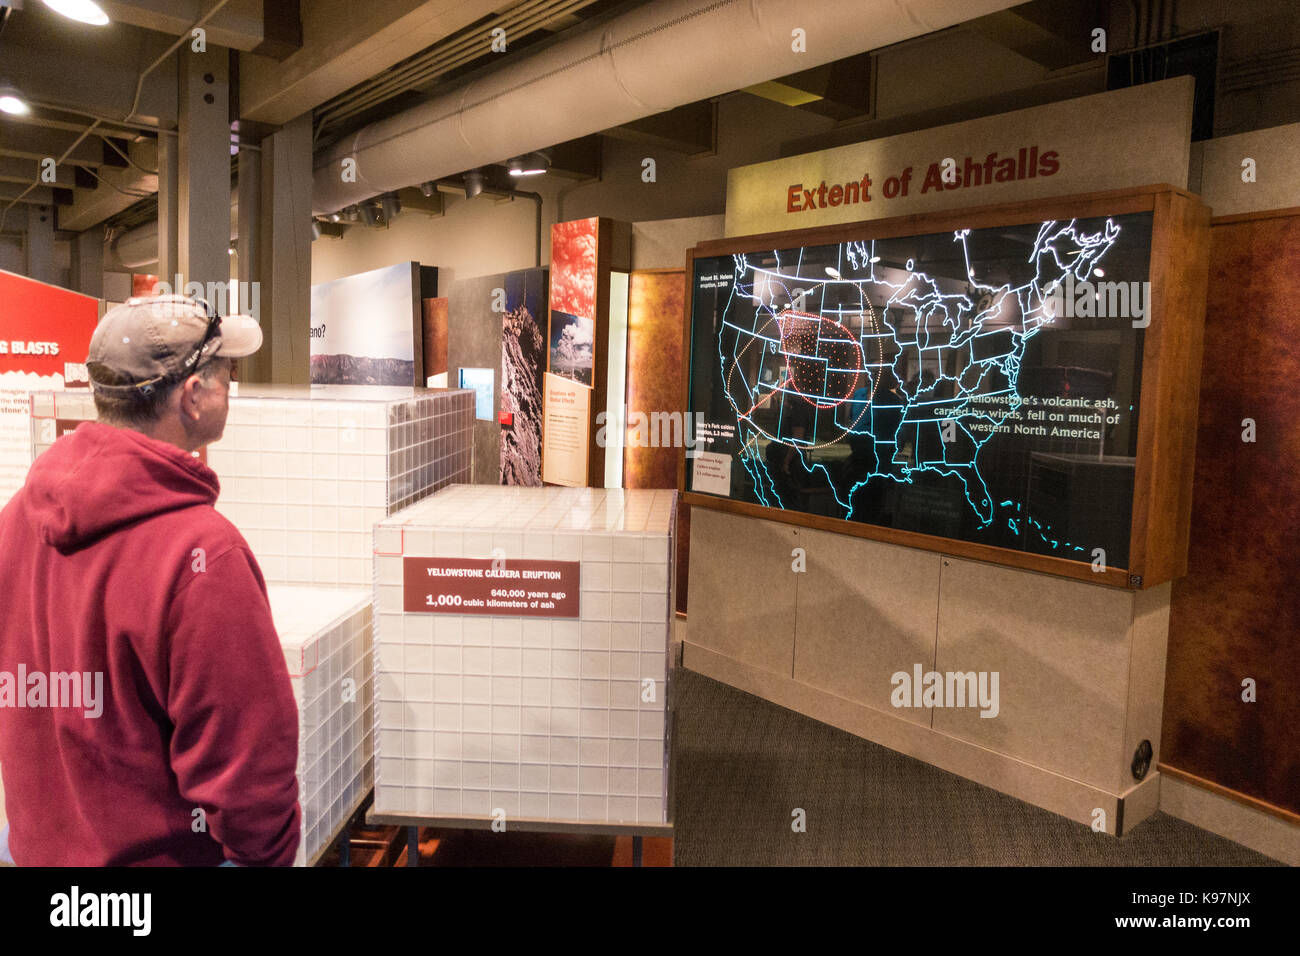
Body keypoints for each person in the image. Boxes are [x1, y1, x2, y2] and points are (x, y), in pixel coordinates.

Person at [0, 295, 301, 866]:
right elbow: (250, 768)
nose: (230, 387)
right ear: (193, 397)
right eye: (224, 374)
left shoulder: (16, 518)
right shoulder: (205, 556)